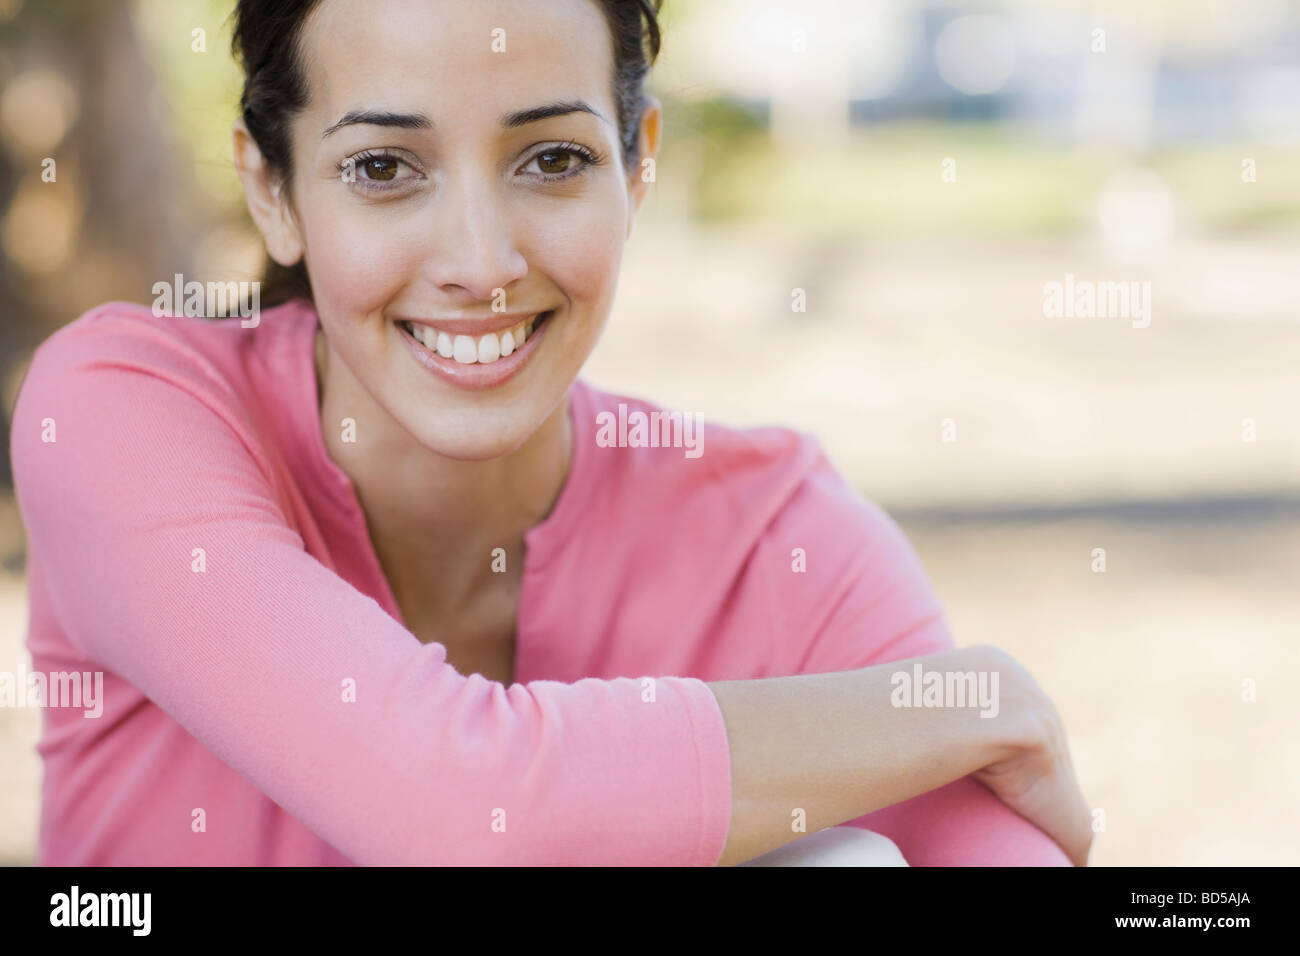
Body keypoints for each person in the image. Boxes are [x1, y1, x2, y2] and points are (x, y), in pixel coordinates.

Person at [9, 0, 1091, 866]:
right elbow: (458, 807)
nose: (480, 262)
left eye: (552, 160)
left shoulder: (779, 533)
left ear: (639, 164)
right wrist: (972, 699)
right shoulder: (117, 407)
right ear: (273, 190)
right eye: (384, 168)